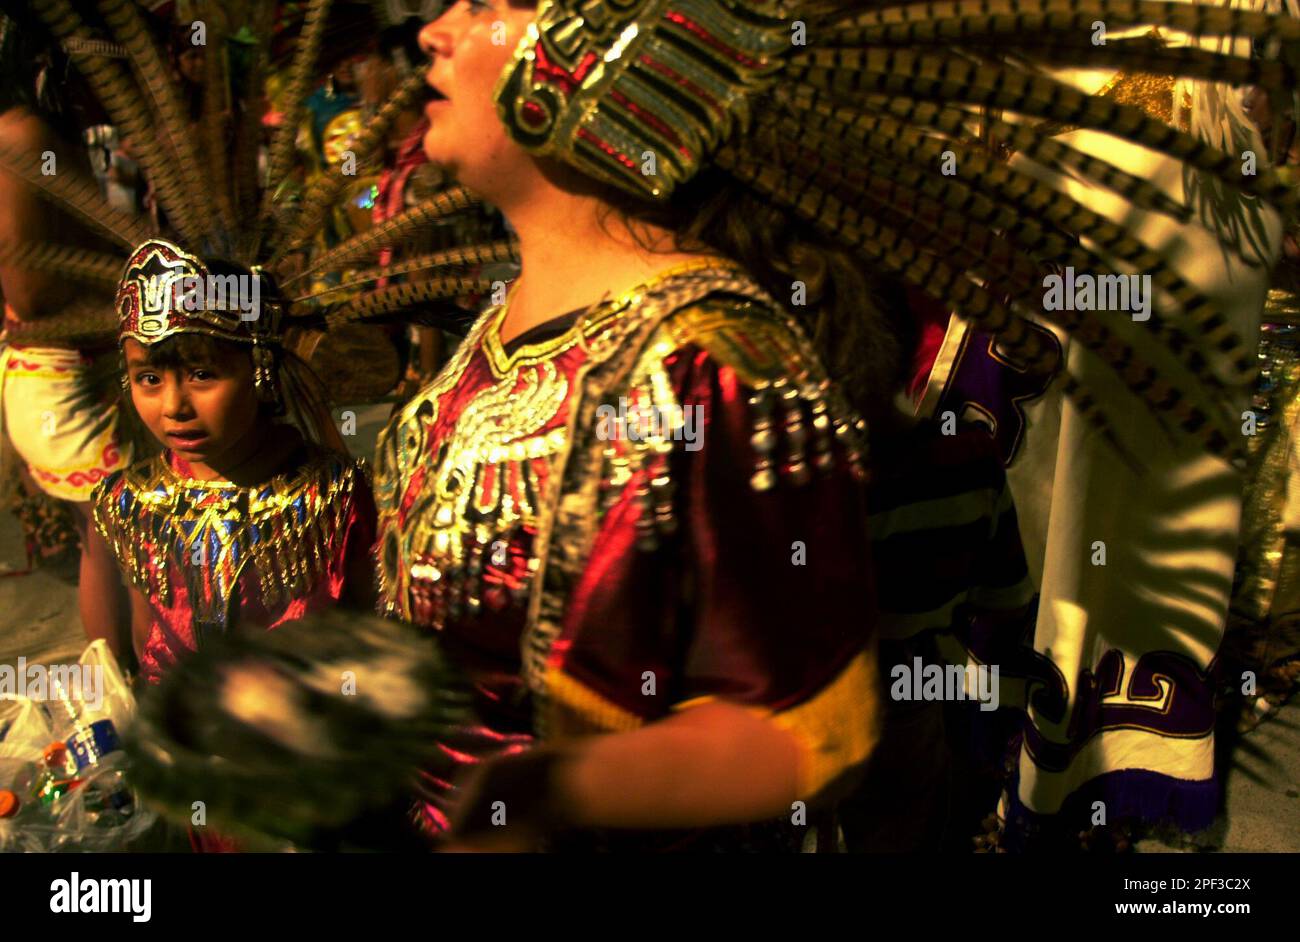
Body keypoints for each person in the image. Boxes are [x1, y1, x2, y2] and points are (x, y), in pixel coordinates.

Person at [360, 0, 1297, 851]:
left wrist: (545, 794)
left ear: (603, 59)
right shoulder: (502, 317)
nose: (434, 30)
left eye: (488, 3)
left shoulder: (714, 363)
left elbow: (806, 725)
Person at [91, 239, 377, 683]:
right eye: (148, 378)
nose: (173, 406)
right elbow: (144, 638)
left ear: (259, 368)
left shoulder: (330, 494)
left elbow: (374, 628)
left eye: (202, 375)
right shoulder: (130, 502)